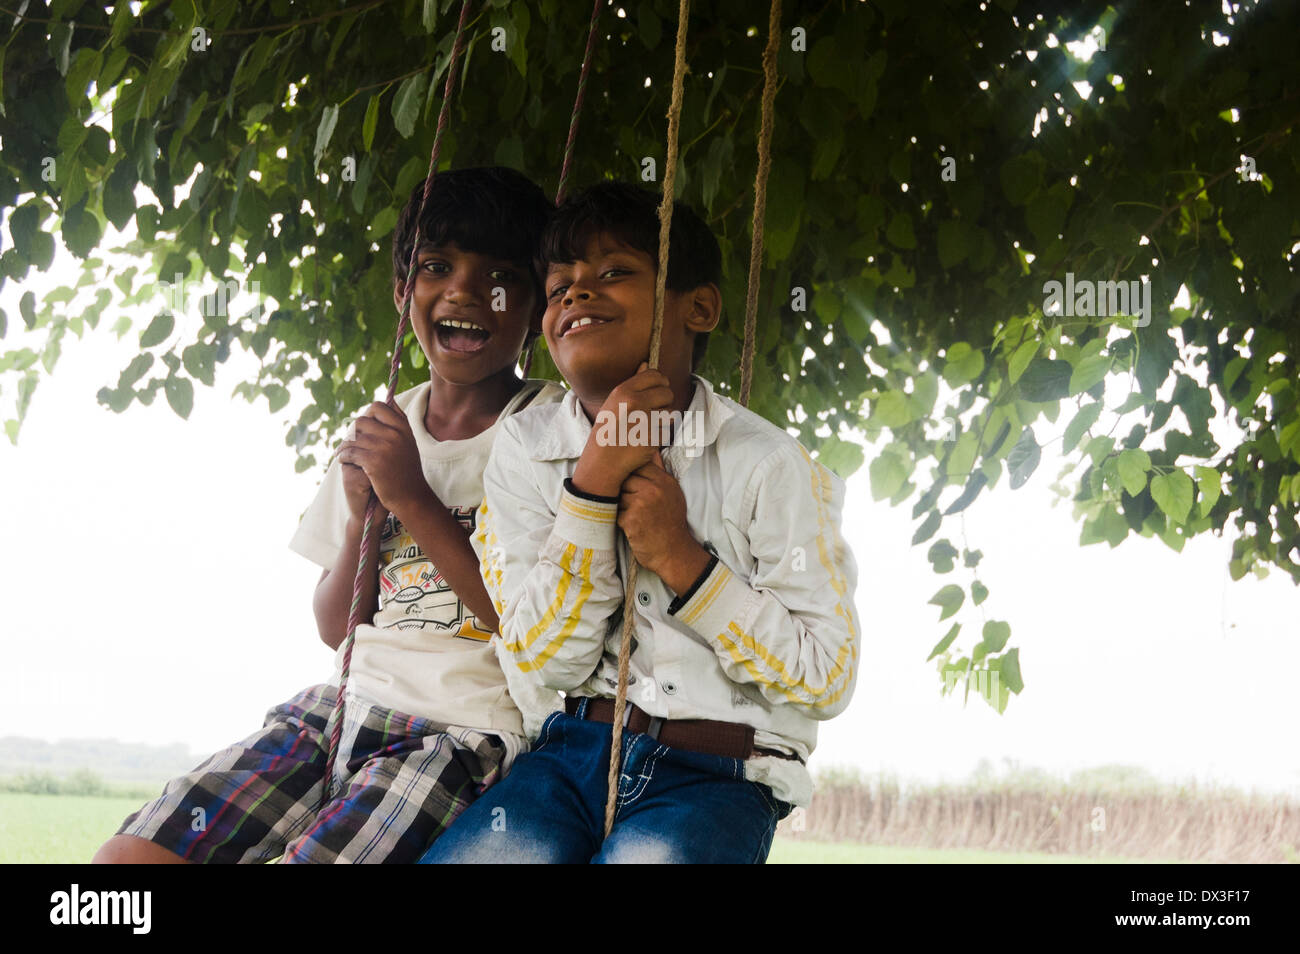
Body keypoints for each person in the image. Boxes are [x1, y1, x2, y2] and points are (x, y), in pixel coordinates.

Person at [93, 167, 565, 864]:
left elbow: (534, 630)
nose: (465, 290)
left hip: (457, 733)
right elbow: (331, 625)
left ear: (535, 308)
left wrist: (412, 499)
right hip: (335, 712)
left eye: (500, 275)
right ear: (404, 293)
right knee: (129, 861)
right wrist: (358, 523)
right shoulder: (384, 428)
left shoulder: (553, 432)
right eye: (437, 266)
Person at [420, 181, 860, 864]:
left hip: (716, 776)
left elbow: (825, 676)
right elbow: (545, 656)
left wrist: (686, 561)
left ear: (700, 307)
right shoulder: (526, 449)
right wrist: (590, 490)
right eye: (559, 284)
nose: (576, 295)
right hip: (567, 761)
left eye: (614, 273)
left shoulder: (768, 465)